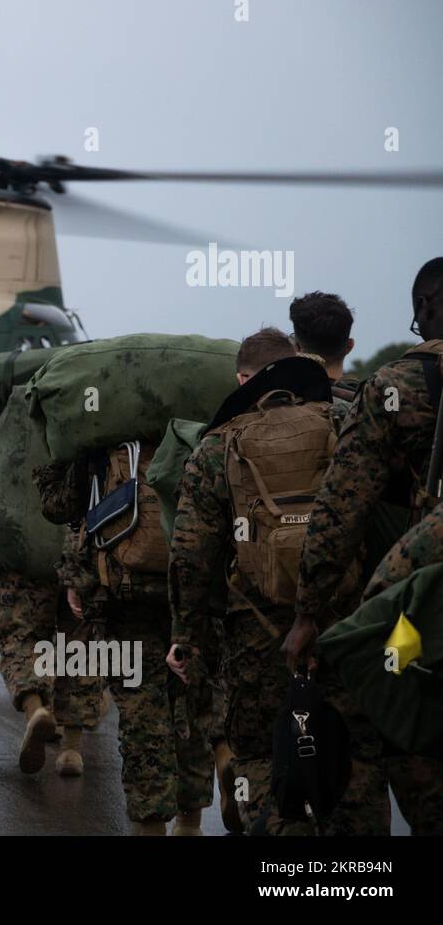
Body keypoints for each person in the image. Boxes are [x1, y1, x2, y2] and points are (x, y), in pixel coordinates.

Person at [290, 258, 443, 835]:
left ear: (425, 307)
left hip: (418, 611)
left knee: (397, 724)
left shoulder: (396, 388)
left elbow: (340, 510)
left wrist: (308, 613)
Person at [167, 328, 334, 834]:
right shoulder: (344, 425)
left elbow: (191, 554)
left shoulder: (217, 446)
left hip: (257, 633)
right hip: (342, 626)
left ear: (243, 379)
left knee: (261, 755)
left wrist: (186, 639)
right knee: (357, 754)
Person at [36, 453, 212, 835]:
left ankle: (150, 826)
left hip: (125, 595)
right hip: (190, 591)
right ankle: (191, 822)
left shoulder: (102, 437)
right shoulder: (201, 430)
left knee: (141, 713)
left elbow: (60, 507)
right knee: (189, 702)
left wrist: (55, 454)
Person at [0, 445, 104, 776]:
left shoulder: (6, 448)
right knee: (80, 648)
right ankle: (71, 751)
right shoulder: (85, 438)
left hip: (22, 565)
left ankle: (36, 710)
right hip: (78, 557)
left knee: (20, 639)